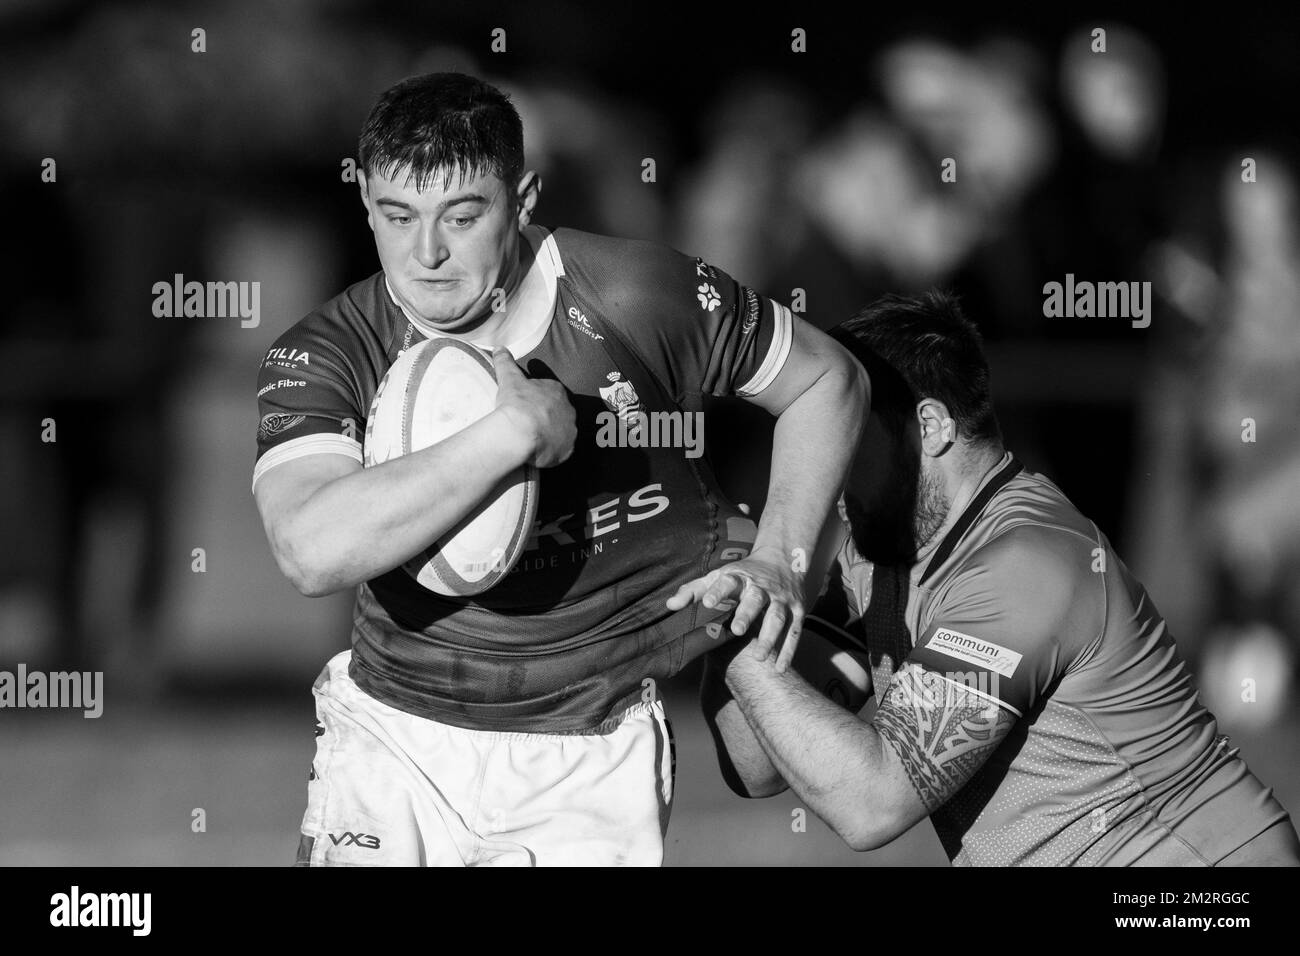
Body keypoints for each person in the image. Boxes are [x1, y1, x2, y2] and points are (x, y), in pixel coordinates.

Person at [251, 72, 866, 866]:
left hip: (590, 752)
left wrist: (781, 559)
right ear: (365, 202)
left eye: (463, 217)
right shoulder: (329, 350)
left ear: (524, 199)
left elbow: (828, 379)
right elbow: (309, 550)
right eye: (396, 217)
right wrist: (511, 436)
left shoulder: (637, 294)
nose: (427, 253)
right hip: (394, 740)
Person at [704, 290, 1299, 866]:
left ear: (931, 426)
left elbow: (871, 805)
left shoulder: (1029, 563)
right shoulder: (875, 554)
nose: (826, 472)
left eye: (845, 437)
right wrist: (730, 591)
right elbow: (755, 763)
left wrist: (750, 646)